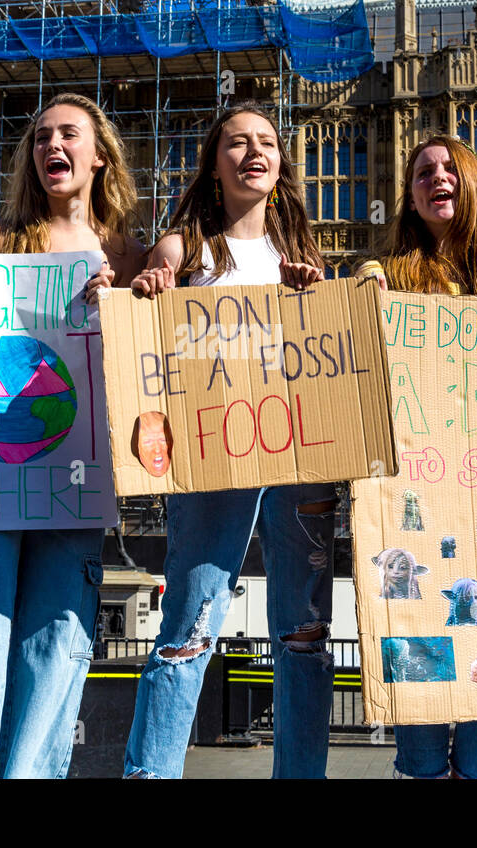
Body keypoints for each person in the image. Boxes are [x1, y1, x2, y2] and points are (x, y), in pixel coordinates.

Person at [0, 92, 145, 779]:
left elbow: (140, 369)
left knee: (59, 637)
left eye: (68, 134)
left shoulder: (127, 255)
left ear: (99, 156)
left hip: (75, 476)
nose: (51, 147)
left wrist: (121, 310)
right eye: (40, 137)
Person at [126, 100, 336, 779]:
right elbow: (155, 279)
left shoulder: (298, 253)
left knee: (303, 636)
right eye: (238, 143)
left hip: (297, 450)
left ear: (279, 164)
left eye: (267, 143)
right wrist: (157, 280)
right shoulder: (189, 244)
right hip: (215, 451)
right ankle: (149, 772)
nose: (255, 152)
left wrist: (314, 292)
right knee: (189, 629)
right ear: (215, 167)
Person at [356, 135, 477, 779]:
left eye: (450, 168)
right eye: (422, 172)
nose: (436, 178)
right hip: (416, 509)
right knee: (422, 743)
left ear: (474, 183)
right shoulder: (385, 276)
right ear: (411, 197)